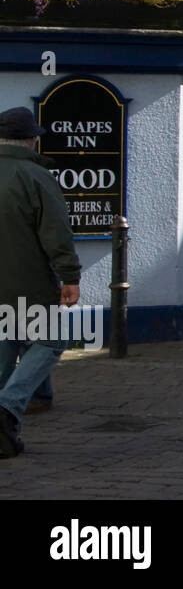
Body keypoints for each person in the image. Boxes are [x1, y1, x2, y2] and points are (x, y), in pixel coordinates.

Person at [0, 107, 81, 458]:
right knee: (54, 339)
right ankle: (8, 405)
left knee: (5, 349)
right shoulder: (35, 176)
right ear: (32, 140)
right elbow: (56, 233)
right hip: (26, 281)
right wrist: (70, 276)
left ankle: (7, 431)